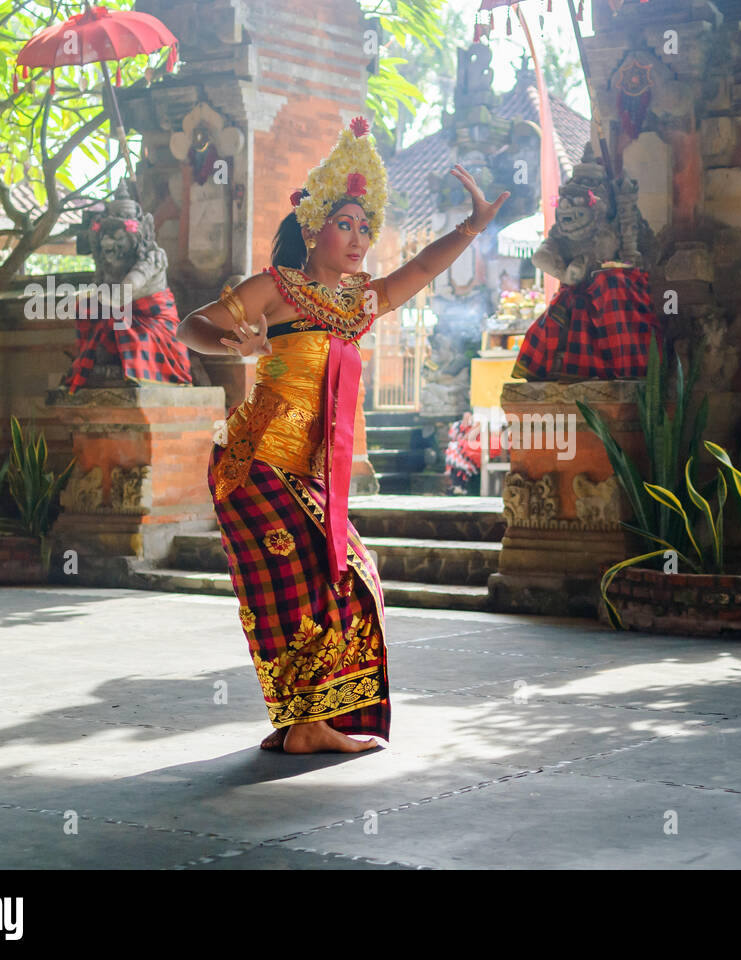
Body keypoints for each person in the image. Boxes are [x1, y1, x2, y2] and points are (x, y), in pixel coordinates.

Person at [177, 116, 508, 754]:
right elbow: (192, 324)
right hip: (253, 463)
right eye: (346, 224)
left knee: (350, 580)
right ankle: (305, 723)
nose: (358, 239)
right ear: (313, 228)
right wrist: (233, 342)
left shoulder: (356, 302)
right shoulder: (275, 289)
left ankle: (307, 722)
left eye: (365, 227)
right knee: (319, 582)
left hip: (305, 474)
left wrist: (471, 229)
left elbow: (417, 271)